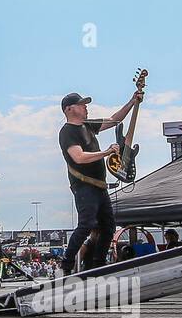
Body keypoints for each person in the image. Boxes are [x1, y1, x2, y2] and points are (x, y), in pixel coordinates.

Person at [58, 88, 143, 273]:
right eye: (81, 105)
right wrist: (106, 152)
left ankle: (97, 264)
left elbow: (115, 120)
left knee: (109, 227)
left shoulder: (87, 125)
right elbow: (78, 157)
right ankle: (66, 264)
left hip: (99, 186)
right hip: (84, 186)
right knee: (86, 224)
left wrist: (132, 101)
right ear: (69, 109)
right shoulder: (67, 132)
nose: (85, 107)